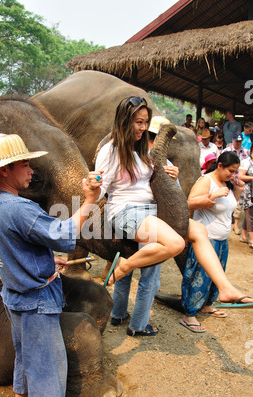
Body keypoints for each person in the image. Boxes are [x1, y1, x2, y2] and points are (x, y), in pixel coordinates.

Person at [0, 133, 99, 397]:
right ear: (5, 170)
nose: (31, 170)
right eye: (25, 164)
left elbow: (16, 247)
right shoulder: (18, 208)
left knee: (24, 351)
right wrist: (88, 202)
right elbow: (62, 234)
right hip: (34, 302)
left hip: (13, 297)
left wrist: (44, 260)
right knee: (47, 359)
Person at [88, 96, 253, 309]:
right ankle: (124, 267)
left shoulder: (142, 151)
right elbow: (101, 188)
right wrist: (93, 184)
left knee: (198, 231)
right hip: (125, 212)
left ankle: (225, 288)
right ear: (124, 121)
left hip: (151, 211)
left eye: (145, 122)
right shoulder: (111, 151)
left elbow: (153, 182)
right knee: (175, 243)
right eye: (139, 122)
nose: (143, 127)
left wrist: (171, 175)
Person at [110, 116, 179, 336]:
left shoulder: (127, 155)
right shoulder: (162, 162)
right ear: (161, 140)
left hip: (123, 218)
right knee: (148, 275)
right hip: (149, 220)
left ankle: (117, 314)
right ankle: (138, 325)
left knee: (127, 264)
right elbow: (173, 199)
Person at [180, 151, 245, 333]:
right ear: (220, 166)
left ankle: (207, 304)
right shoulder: (206, 181)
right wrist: (214, 195)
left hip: (222, 239)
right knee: (199, 277)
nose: (233, 175)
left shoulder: (227, 184)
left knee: (217, 276)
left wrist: (237, 191)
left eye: (235, 172)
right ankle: (189, 314)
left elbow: (228, 209)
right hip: (206, 238)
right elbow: (188, 203)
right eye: (230, 171)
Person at [225, 132, 250, 235]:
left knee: (238, 204)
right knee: (226, 200)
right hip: (227, 180)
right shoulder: (227, 151)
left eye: (240, 141)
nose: (238, 143)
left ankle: (235, 224)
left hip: (239, 181)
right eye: (237, 141)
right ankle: (228, 222)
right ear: (233, 140)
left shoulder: (246, 152)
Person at [238, 143, 253, 248]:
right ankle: (252, 239)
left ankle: (243, 235)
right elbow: (240, 176)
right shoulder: (247, 162)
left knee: (249, 214)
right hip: (248, 192)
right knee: (250, 215)